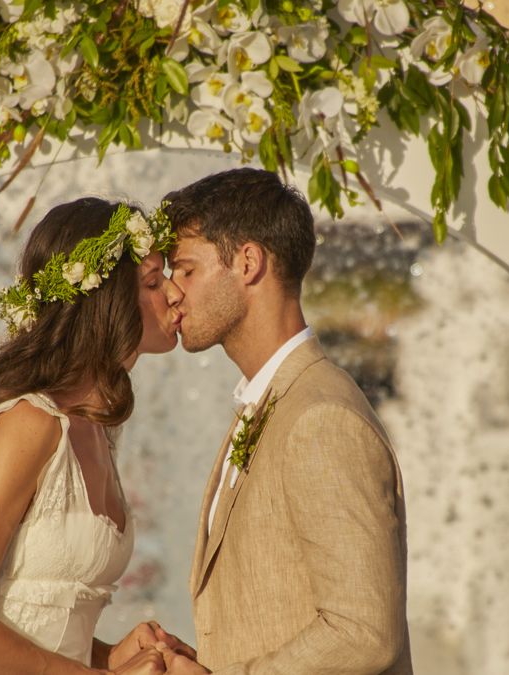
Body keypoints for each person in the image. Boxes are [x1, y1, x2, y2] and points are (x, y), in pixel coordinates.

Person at [0, 197, 196, 675]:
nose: (173, 293)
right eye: (151, 281)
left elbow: (31, 614)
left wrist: (108, 654)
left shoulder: (96, 428)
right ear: (106, 298)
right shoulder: (28, 424)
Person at [159, 168, 414, 674]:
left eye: (186, 270)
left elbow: (363, 633)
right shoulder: (273, 402)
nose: (171, 292)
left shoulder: (320, 419)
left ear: (249, 263)